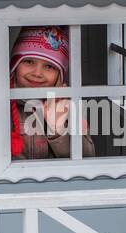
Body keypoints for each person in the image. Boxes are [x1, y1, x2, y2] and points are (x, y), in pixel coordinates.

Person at [9, 25, 96, 160]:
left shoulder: (67, 106)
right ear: (14, 66)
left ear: (59, 75)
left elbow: (87, 158)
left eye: (49, 66)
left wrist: (58, 129)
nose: (37, 73)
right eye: (28, 61)